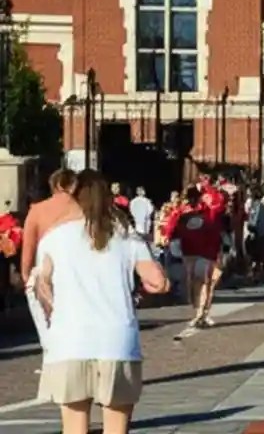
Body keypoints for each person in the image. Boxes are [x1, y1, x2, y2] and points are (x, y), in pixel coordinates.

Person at [33, 169, 170, 434]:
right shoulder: (126, 236)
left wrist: (54, 306)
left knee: (74, 428)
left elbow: (42, 285)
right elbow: (158, 283)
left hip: (69, 339)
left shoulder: (54, 237)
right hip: (116, 339)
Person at [20, 170, 80, 367]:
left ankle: (53, 366)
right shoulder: (83, 209)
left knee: (47, 327)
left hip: (44, 272)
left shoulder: (37, 210)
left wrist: (27, 277)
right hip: (78, 273)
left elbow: (28, 250)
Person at [161, 186, 223, 330]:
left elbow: (173, 230)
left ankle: (199, 312)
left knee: (197, 282)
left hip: (192, 251)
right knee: (202, 282)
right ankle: (200, 312)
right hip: (203, 251)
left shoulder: (183, 214)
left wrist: (169, 238)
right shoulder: (204, 213)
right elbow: (214, 230)